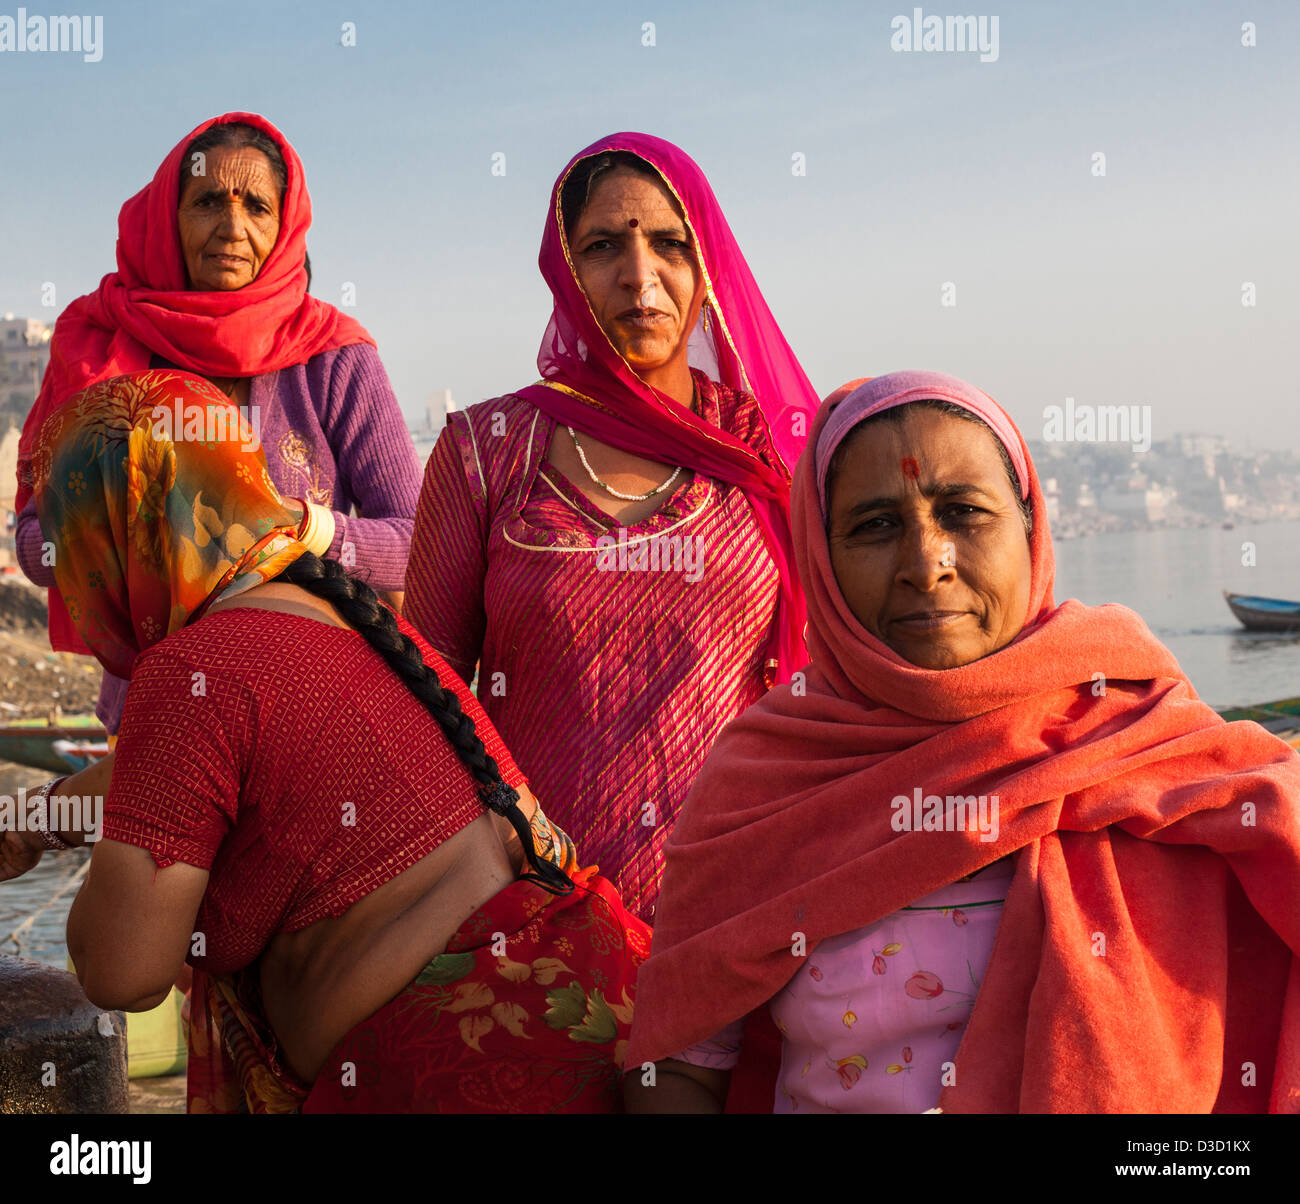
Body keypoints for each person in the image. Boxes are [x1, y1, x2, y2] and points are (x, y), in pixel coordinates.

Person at [624, 370, 1300, 1114]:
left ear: (1031, 528)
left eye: (964, 512)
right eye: (876, 525)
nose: (926, 564)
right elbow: (680, 1068)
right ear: (821, 553)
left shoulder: (1144, 735)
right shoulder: (763, 778)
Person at [1, 372, 648, 1114]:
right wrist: (40, 819)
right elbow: (192, 774)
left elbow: (122, 971)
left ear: (113, 540)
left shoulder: (192, 671)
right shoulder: (339, 613)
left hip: (466, 1075)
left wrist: (102, 876)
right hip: (593, 1010)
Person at [405, 133, 819, 924]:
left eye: (670, 243)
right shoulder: (483, 453)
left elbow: (843, 669)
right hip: (536, 919)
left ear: (708, 269)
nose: (639, 276)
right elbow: (428, 703)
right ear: (565, 272)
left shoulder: (769, 450)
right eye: (602, 247)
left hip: (740, 908)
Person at [13, 111, 421, 743]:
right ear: (166, 218)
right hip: (158, 712)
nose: (233, 228)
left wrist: (300, 528)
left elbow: (414, 539)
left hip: (312, 707)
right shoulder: (104, 349)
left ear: (284, 226)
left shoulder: (334, 357)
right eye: (206, 201)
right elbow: (36, 546)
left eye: (257, 207)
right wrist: (129, 540)